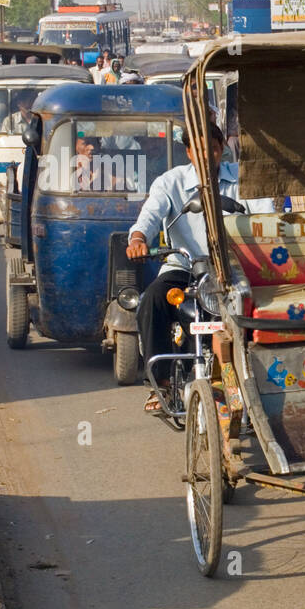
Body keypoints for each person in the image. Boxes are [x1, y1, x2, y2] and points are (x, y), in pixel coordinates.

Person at [125, 122, 246, 413]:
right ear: (189, 152)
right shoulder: (170, 183)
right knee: (153, 299)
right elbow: (149, 218)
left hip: (233, 268)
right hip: (186, 266)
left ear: (222, 151)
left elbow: (264, 209)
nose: (208, 158)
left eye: (214, 150)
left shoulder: (241, 180)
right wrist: (139, 238)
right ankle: (161, 382)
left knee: (258, 306)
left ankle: (253, 381)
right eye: (200, 151)